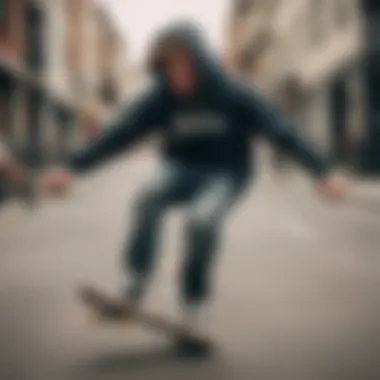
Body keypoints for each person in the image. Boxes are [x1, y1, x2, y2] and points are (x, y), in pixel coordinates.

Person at [41, 23, 345, 354]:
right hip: (180, 169)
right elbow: (120, 133)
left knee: (202, 222)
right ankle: (135, 282)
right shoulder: (160, 97)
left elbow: (280, 130)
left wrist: (322, 172)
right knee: (147, 196)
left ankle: (194, 306)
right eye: (170, 70)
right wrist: (72, 168)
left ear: (200, 62)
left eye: (184, 67)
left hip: (227, 174)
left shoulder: (234, 93)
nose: (178, 78)